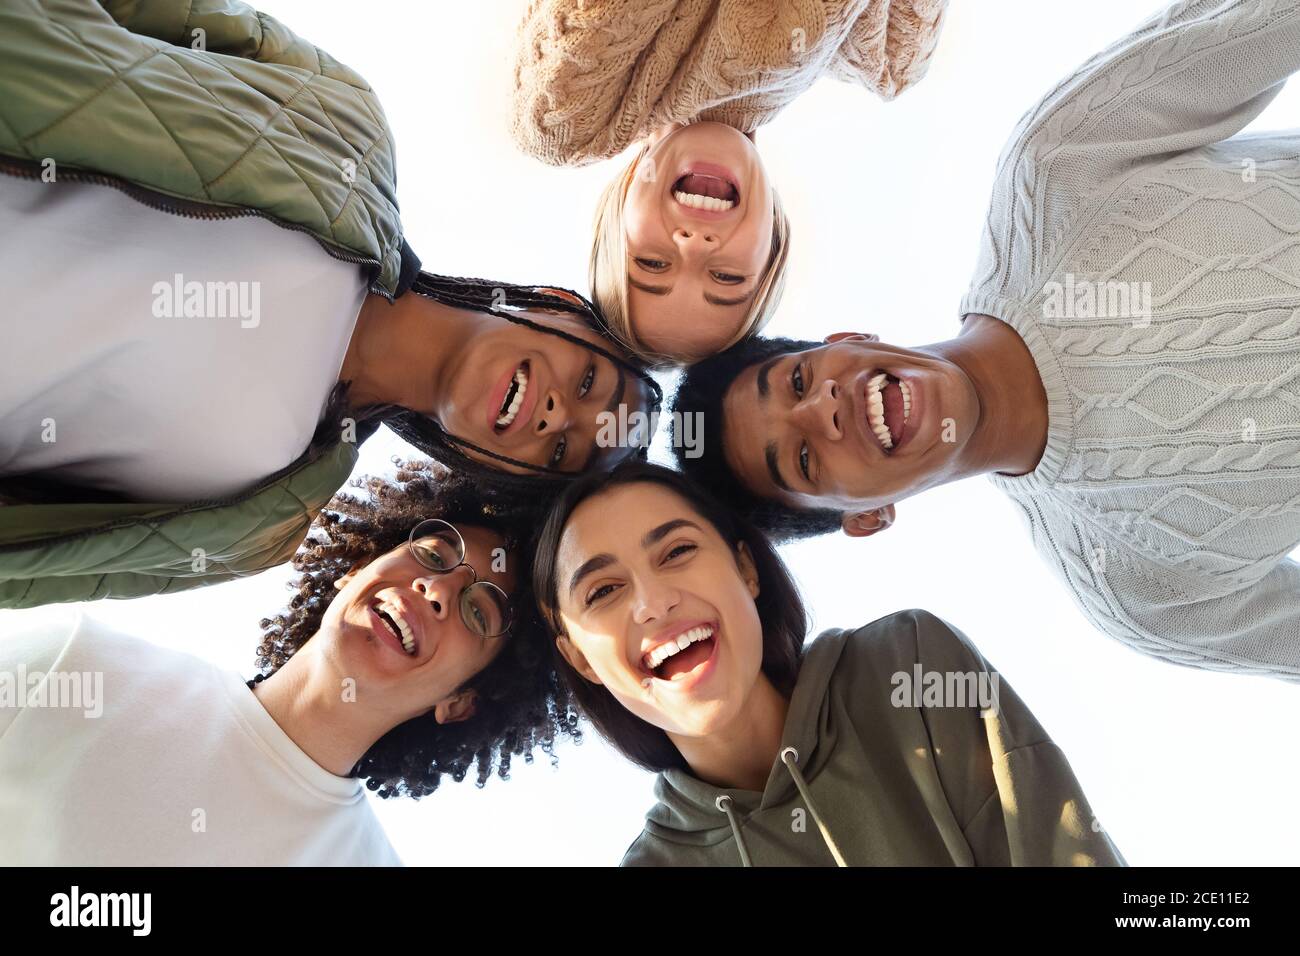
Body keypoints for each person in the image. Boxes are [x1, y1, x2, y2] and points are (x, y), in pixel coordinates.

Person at [671, 0, 1300, 683]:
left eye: (795, 380)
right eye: (800, 458)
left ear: (846, 337)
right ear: (865, 517)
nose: (822, 410)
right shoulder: (1135, 591)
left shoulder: (1056, 169)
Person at [0, 0, 661, 608]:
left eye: (560, 451)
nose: (555, 414)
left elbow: (36, 568)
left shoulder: (260, 530)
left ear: (495, 472)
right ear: (558, 307)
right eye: (588, 381)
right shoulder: (348, 124)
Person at [529, 462, 1123, 866]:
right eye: (603, 591)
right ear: (581, 658)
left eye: (678, 551)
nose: (653, 602)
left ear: (746, 570)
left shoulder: (907, 667)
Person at [0, 462, 577, 865]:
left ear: (459, 702)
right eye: (433, 553)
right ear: (355, 569)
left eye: (478, 612)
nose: (435, 589)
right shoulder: (73, 665)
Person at [511, 0, 948, 363]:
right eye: (724, 276)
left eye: (652, 264)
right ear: (774, 239)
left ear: (618, 212)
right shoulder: (888, 57)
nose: (693, 243)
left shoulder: (565, 122)